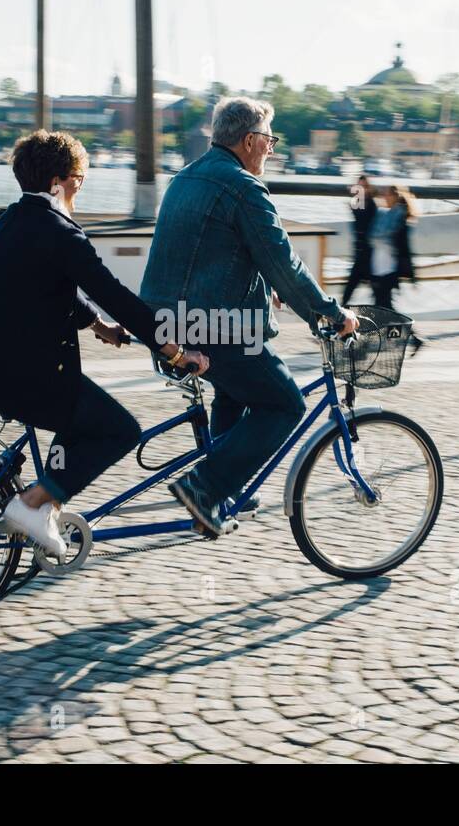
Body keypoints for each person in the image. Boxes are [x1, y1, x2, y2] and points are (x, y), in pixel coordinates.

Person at [0, 130, 209, 558]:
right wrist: (175, 351)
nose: (80, 188)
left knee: (76, 420)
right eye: (80, 179)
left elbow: (55, 285)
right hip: (23, 372)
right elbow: (116, 295)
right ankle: (32, 504)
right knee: (120, 429)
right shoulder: (58, 230)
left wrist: (97, 326)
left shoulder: (15, 219)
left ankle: (45, 506)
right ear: (62, 181)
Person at [140, 97, 357, 536]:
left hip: (164, 321)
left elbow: (211, 253)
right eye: (269, 141)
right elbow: (285, 262)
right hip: (210, 325)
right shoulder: (243, 186)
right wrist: (330, 313)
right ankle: (204, 487)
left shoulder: (186, 177)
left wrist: (263, 287)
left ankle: (226, 491)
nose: (272, 151)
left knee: (234, 393)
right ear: (249, 140)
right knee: (284, 404)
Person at [369, 184, 425, 353]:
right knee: (383, 309)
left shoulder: (400, 218)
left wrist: (413, 275)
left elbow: (405, 248)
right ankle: (409, 338)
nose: (383, 197)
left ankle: (411, 338)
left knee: (384, 309)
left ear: (394, 197)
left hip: (388, 270)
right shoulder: (384, 215)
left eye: (386, 194)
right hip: (377, 268)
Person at [342, 174, 377, 305]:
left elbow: (364, 224)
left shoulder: (371, 205)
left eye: (363, 187)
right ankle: (340, 314)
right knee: (351, 288)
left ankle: (340, 314)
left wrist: (353, 209)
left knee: (376, 292)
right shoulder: (360, 203)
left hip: (368, 254)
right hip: (361, 253)